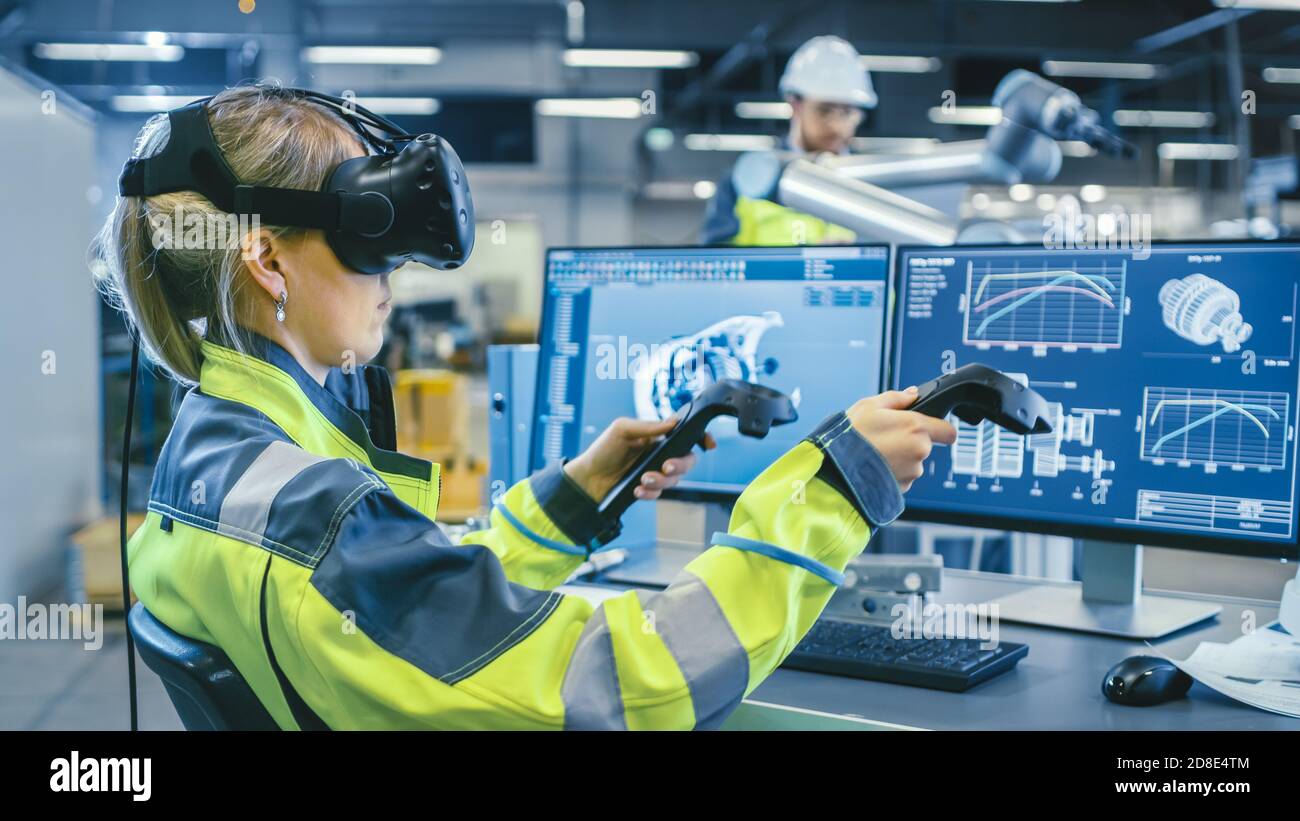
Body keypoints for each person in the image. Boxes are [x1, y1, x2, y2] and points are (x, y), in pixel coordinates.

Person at [93, 83, 955, 730]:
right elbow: (620, 681)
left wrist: (573, 498)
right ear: (267, 262)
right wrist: (835, 484)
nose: (392, 278)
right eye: (368, 241)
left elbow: (421, 606)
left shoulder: (218, 455)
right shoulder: (307, 517)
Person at [702, 35, 875, 246]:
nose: (837, 125)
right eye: (825, 110)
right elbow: (719, 265)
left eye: (847, 113)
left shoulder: (872, 182)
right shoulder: (748, 179)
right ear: (795, 105)